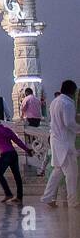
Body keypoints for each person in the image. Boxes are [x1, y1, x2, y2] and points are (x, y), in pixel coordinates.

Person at [42, 79, 79, 208]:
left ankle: (47, 197)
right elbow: (69, 123)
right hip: (65, 143)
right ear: (72, 91)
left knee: (57, 172)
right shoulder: (68, 104)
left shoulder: (55, 102)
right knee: (72, 174)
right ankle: (73, 201)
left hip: (56, 141)